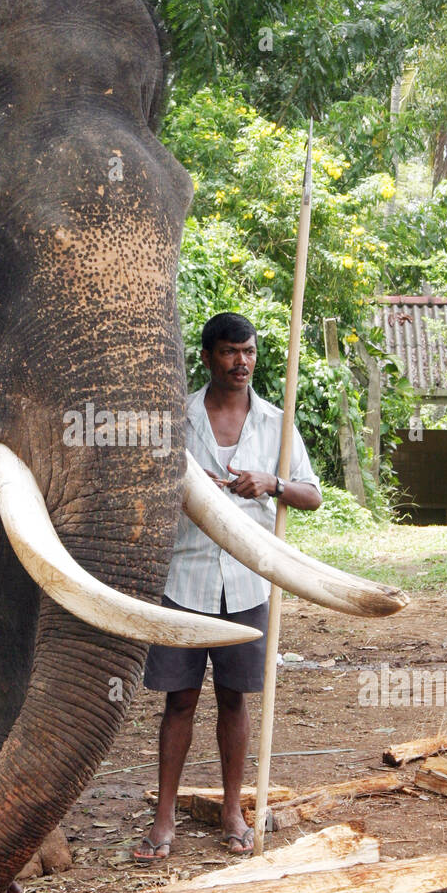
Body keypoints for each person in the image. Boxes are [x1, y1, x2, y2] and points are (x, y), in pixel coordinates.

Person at [134, 312, 322, 863]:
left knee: (235, 699)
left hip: (247, 584)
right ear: (208, 357)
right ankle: (164, 817)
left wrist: (273, 483)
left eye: (249, 351)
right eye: (229, 352)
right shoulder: (179, 418)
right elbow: (147, 480)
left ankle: (233, 809)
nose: (242, 362)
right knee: (180, 700)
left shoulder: (275, 423)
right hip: (183, 578)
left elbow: (311, 494)